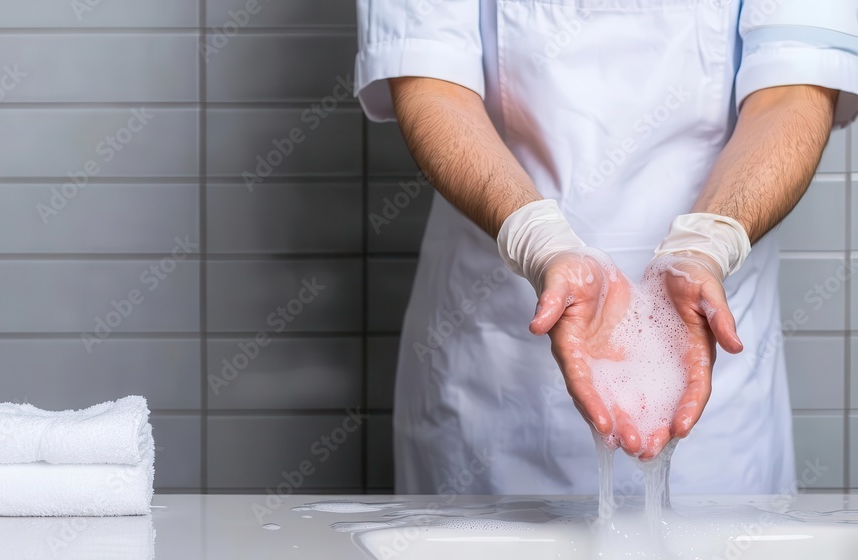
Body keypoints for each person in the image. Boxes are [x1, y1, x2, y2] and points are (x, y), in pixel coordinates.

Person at [354, 0, 858, 495]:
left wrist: (705, 246)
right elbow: (430, 80)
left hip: (713, 364)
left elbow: (793, 88)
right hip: (496, 357)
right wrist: (539, 240)